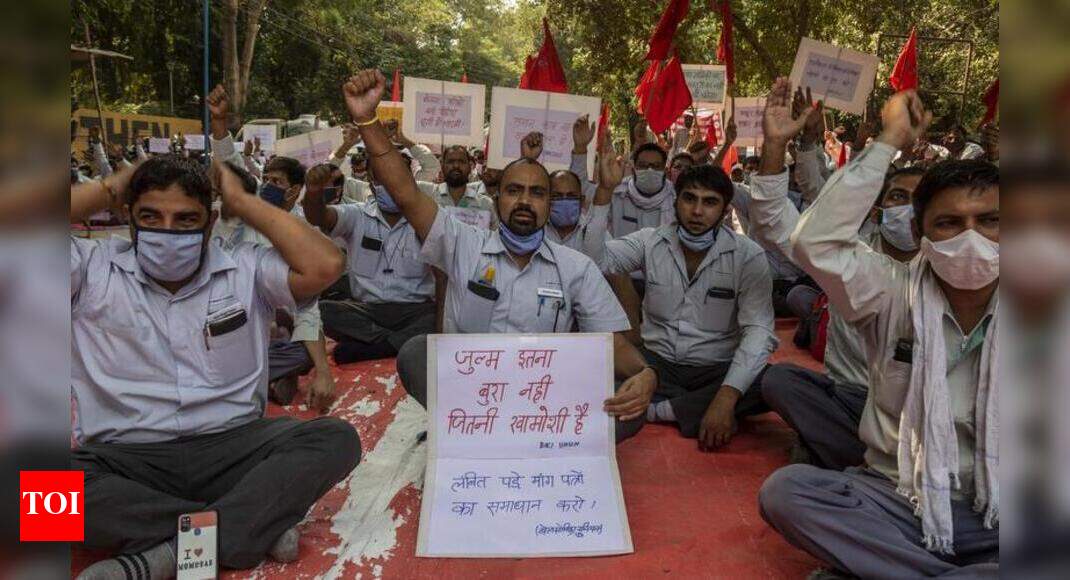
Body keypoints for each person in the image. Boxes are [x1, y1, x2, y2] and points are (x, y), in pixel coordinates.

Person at [71, 155, 358, 578]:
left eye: (186, 220)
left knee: (336, 438)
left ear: (211, 222)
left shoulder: (244, 265)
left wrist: (244, 203)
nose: (167, 232)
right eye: (151, 216)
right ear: (128, 216)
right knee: (29, 497)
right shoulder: (90, 267)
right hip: (124, 458)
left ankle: (166, 554)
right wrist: (113, 184)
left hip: (234, 449)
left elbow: (327, 265)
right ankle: (250, 524)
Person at [341, 69, 658, 442]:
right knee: (415, 353)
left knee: (630, 411)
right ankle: (485, 432)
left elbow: (612, 345)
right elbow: (407, 192)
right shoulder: (462, 242)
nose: (525, 201)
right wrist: (366, 119)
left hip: (543, 402)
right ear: (497, 198)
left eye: (538, 193)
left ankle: (514, 436)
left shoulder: (576, 268)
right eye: (514, 191)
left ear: (548, 203)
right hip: (471, 396)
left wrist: (645, 375)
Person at [759, 89, 999, 578]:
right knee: (786, 493)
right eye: (950, 223)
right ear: (920, 231)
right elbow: (812, 240)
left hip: (1000, 507)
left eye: (991, 221)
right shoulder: (890, 288)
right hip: (900, 497)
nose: (972, 237)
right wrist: (889, 140)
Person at [748, 78, 925, 470]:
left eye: (920, 202)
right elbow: (782, 219)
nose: (908, 210)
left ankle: (844, 455)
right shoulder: (849, 256)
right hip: (849, 396)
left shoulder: (950, 272)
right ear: (877, 209)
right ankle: (861, 458)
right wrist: (777, 145)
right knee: (779, 382)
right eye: (898, 198)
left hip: (919, 410)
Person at [599, 156, 777, 450]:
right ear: (675, 201)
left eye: (709, 202)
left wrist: (726, 397)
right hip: (656, 363)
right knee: (601, 379)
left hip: (716, 369)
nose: (697, 211)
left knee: (772, 382)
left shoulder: (748, 255)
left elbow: (758, 331)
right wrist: (604, 194)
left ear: (725, 210)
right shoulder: (650, 241)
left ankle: (660, 409)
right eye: (689, 199)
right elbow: (597, 259)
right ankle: (683, 407)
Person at [206, 84, 336, 409]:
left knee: (300, 351)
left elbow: (307, 310)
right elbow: (229, 161)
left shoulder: (302, 237)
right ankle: (264, 376)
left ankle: (257, 374)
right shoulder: (245, 210)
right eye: (266, 178)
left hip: (268, 332)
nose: (267, 186)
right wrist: (220, 126)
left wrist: (322, 370)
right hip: (217, 317)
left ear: (294, 193)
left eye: (276, 183)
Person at [303, 155, 437, 363]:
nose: (389, 184)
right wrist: (313, 192)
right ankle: (392, 344)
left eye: (395, 176)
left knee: (440, 317)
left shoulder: (429, 217)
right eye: (380, 177)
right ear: (369, 180)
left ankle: (372, 348)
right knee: (320, 311)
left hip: (416, 310)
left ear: (409, 178)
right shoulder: (356, 215)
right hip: (366, 310)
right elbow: (318, 216)